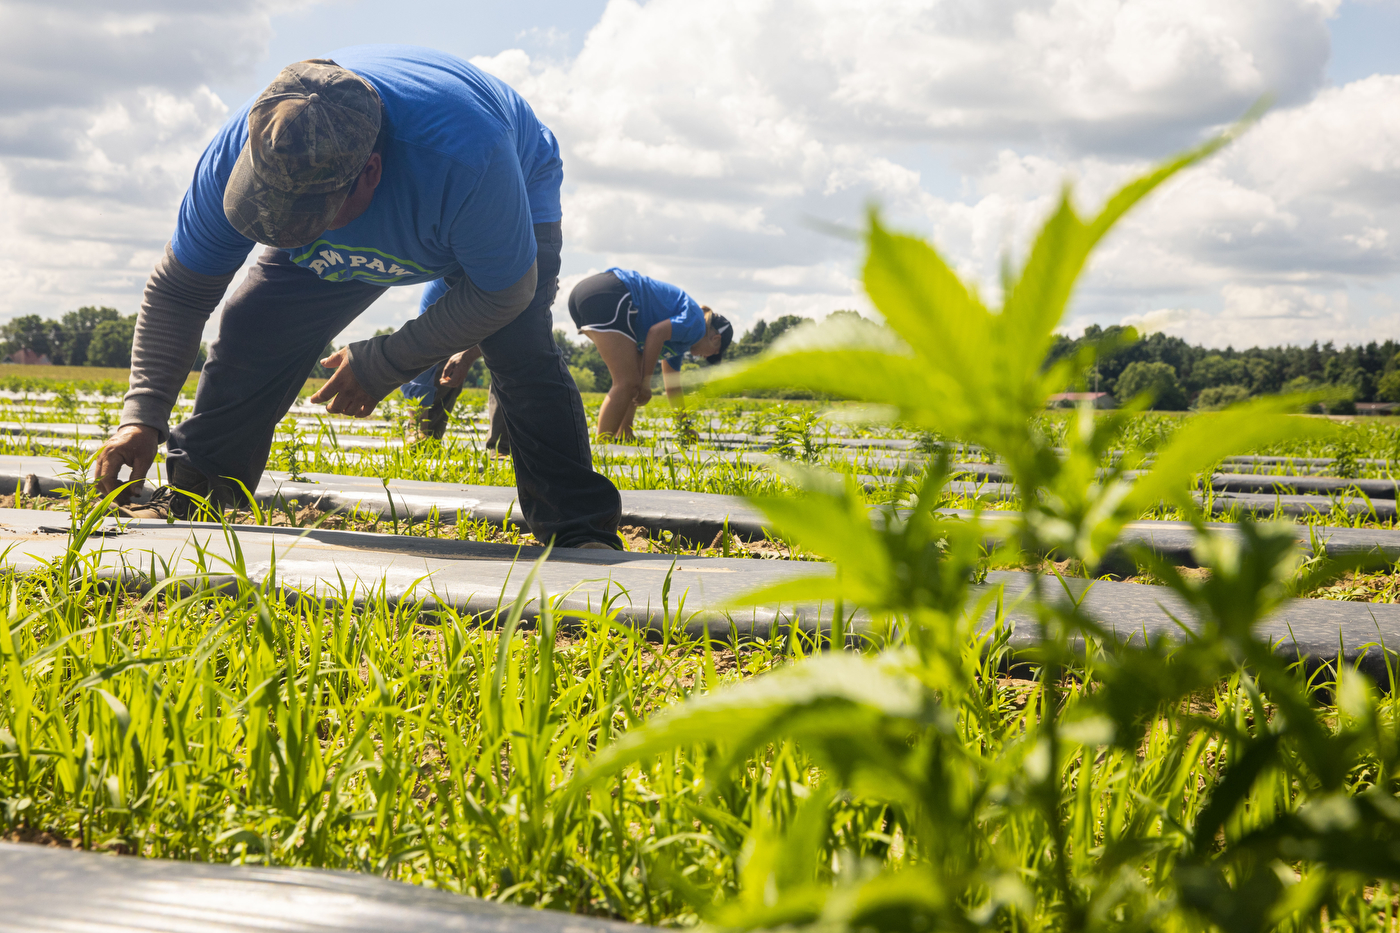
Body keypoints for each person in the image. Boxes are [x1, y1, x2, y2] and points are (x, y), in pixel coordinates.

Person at [94, 45, 622, 549]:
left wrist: (384, 362)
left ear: (368, 176)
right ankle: (200, 491)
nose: (287, 232)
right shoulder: (251, 144)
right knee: (256, 324)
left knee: (519, 346)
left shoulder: (467, 161)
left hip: (505, 187)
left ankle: (579, 529)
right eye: (273, 213)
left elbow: (503, 294)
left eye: (303, 218)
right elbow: (182, 289)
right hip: (404, 198)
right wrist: (142, 414)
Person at [567, 268, 732, 439]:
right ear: (715, 339)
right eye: (713, 354)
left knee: (633, 378)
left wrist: (684, 428)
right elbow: (656, 333)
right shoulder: (696, 325)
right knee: (627, 382)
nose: (706, 357)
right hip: (612, 294)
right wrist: (646, 383)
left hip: (587, 294)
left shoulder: (680, 340)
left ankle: (625, 433)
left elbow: (673, 388)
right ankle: (600, 454)